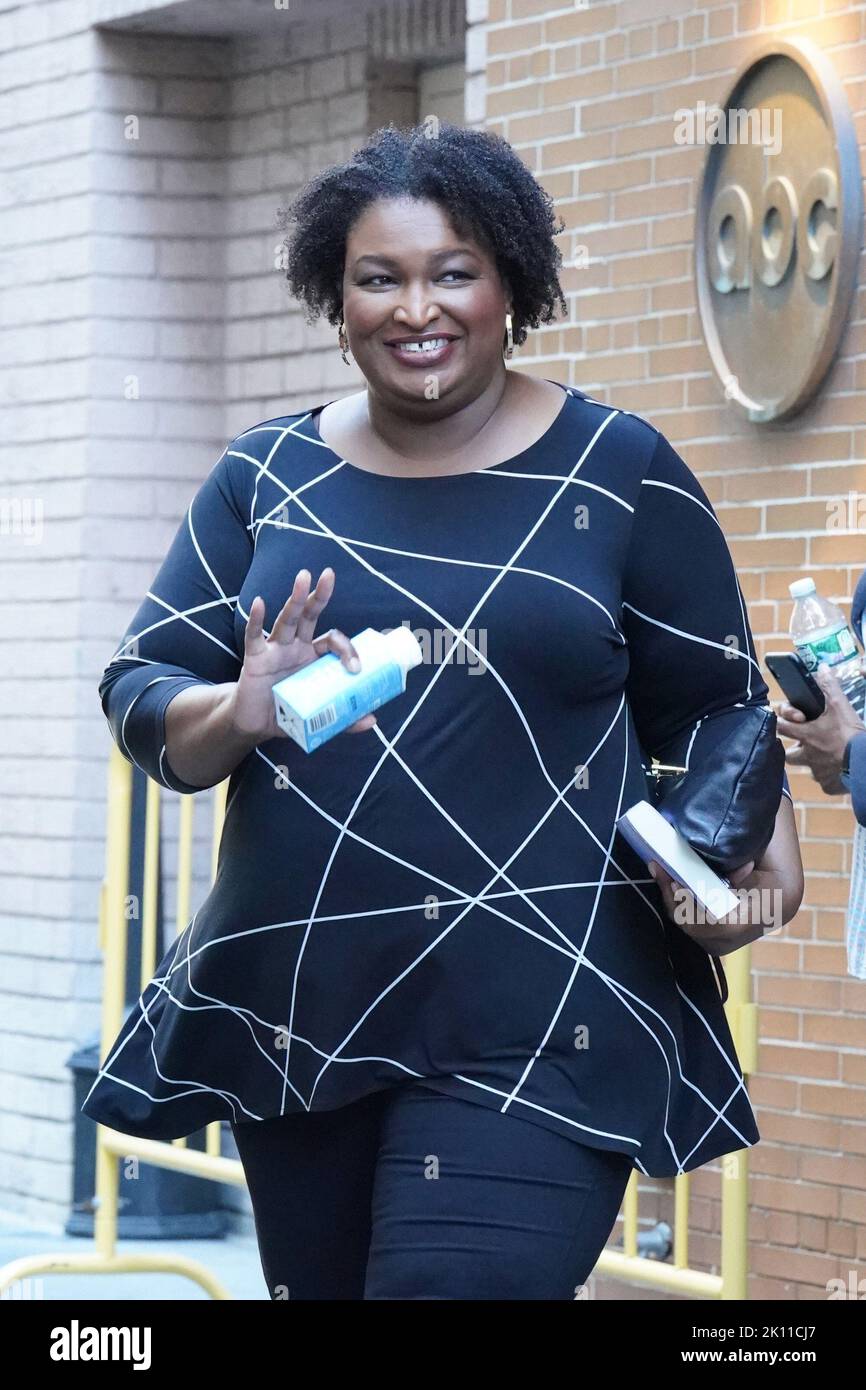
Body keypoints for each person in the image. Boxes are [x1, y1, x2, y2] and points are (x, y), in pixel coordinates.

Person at [81, 122, 803, 1300]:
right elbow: (142, 693)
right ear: (337, 295)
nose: (417, 308)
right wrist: (239, 710)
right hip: (302, 1002)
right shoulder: (265, 478)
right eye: (380, 277)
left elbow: (721, 713)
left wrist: (743, 886)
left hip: (548, 1008)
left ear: (511, 281)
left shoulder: (617, 472)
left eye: (452, 271)